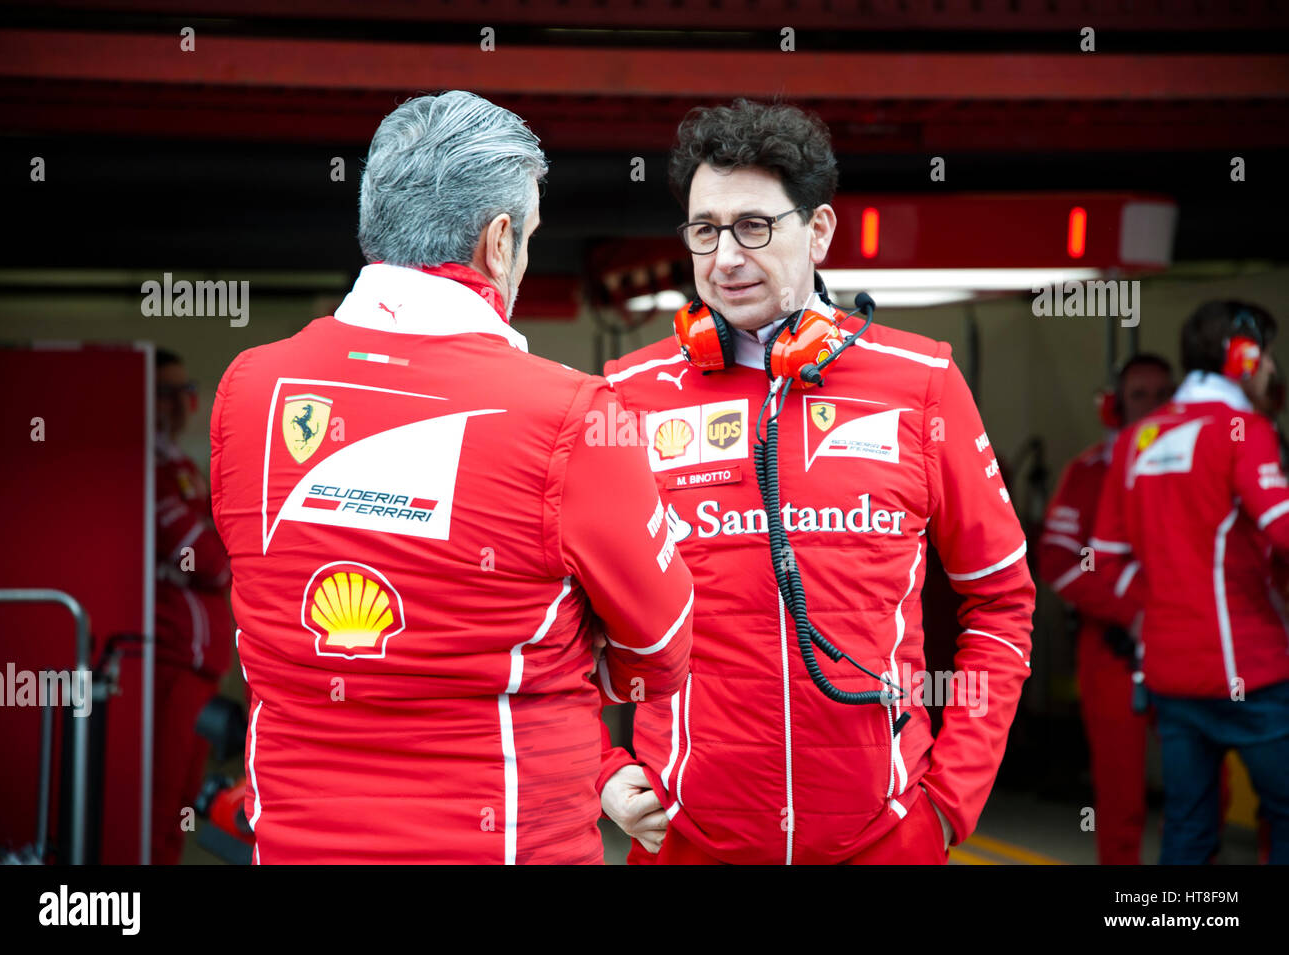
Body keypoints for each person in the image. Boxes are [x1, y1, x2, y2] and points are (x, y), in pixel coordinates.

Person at [210, 91, 693, 864]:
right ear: (498, 242)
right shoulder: (570, 412)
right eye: (529, 236)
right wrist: (564, 646)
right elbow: (662, 651)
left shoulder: (248, 390)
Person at [598, 99, 1035, 864]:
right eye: (706, 230)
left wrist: (948, 802)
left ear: (821, 231)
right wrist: (604, 769)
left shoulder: (921, 381)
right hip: (687, 840)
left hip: (887, 836)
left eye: (754, 226)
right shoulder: (628, 395)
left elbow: (1001, 600)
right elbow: (555, 613)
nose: (726, 256)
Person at [1092, 300, 1289, 864]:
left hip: (1170, 672)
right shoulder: (1244, 430)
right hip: (1249, 670)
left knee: (1189, 827)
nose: (1271, 371)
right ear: (1244, 358)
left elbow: (1101, 559)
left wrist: (1170, 597)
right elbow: (1283, 529)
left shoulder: (1138, 439)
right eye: (1267, 356)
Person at [1037, 354, 1174, 864]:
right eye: (1141, 396)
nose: (1155, 407)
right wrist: (1130, 611)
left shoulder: (1202, 463)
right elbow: (1057, 558)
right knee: (1119, 792)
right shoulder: (1092, 472)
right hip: (1114, 650)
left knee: (1204, 788)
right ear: (1115, 407)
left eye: (1164, 394)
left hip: (1191, 648)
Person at [151, 348, 235, 865]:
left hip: (201, 666)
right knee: (157, 803)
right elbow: (211, 562)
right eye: (165, 393)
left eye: (185, 392)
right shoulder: (143, 466)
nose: (180, 404)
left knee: (183, 801)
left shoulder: (180, 464)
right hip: (165, 664)